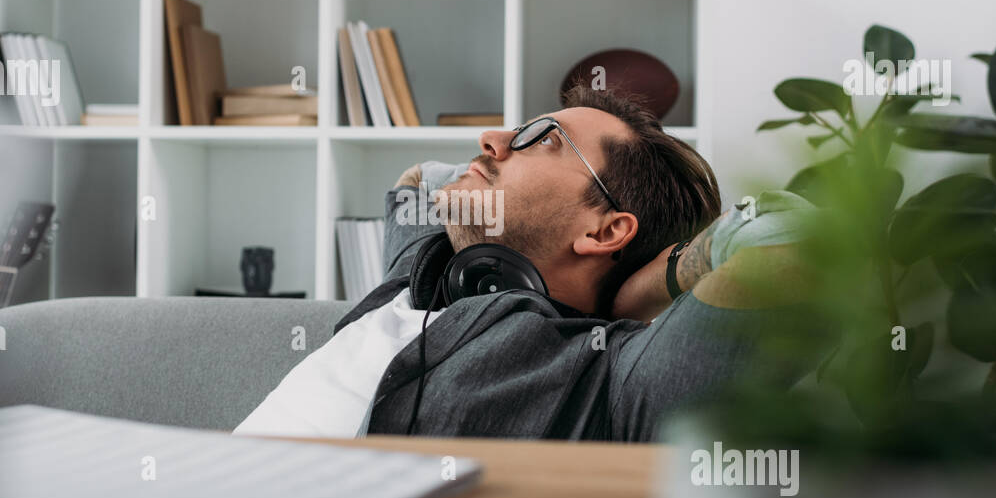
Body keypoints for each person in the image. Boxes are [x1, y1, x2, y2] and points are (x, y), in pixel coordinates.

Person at [234, 83, 823, 442]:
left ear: (607, 229)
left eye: (542, 139)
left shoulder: (613, 379)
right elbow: (420, 182)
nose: (492, 138)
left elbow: (791, 239)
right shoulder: (419, 274)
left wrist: (640, 292)